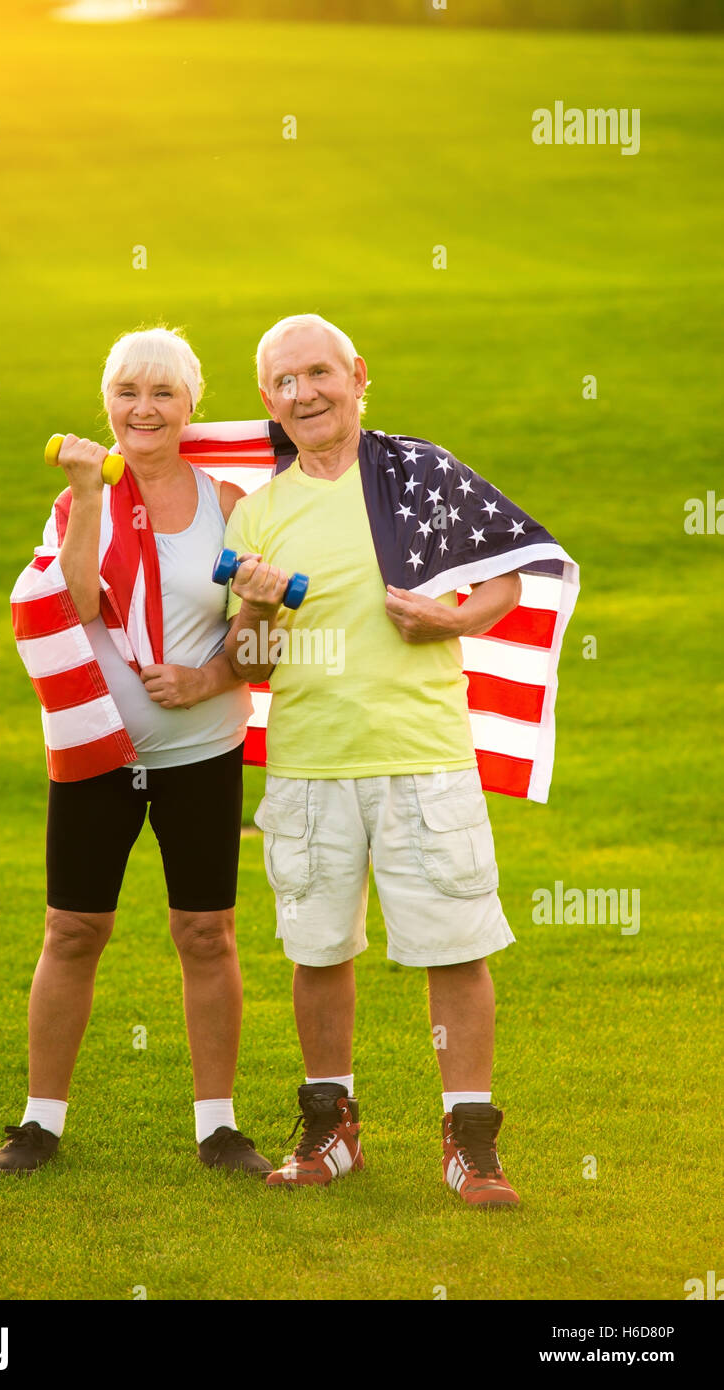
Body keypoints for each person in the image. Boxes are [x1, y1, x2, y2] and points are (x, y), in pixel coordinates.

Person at [223, 314, 533, 1205]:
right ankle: (332, 1130)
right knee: (318, 951)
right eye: (283, 383)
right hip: (311, 766)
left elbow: (511, 571)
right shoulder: (260, 512)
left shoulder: (417, 477)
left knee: (456, 946)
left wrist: (454, 619)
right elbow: (247, 670)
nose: (303, 394)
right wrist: (247, 612)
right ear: (266, 399)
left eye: (318, 373)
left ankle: (470, 1141)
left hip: (422, 757)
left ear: (358, 375)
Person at [0, 327, 272, 1176]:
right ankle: (39, 1124)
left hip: (202, 749)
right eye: (126, 393)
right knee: (73, 929)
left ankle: (217, 1128)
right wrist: (85, 493)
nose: (142, 409)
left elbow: (260, 651)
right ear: (105, 403)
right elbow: (80, 598)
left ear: (191, 406)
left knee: (206, 933)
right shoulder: (85, 495)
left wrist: (211, 673)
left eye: (162, 394)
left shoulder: (229, 505)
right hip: (97, 758)